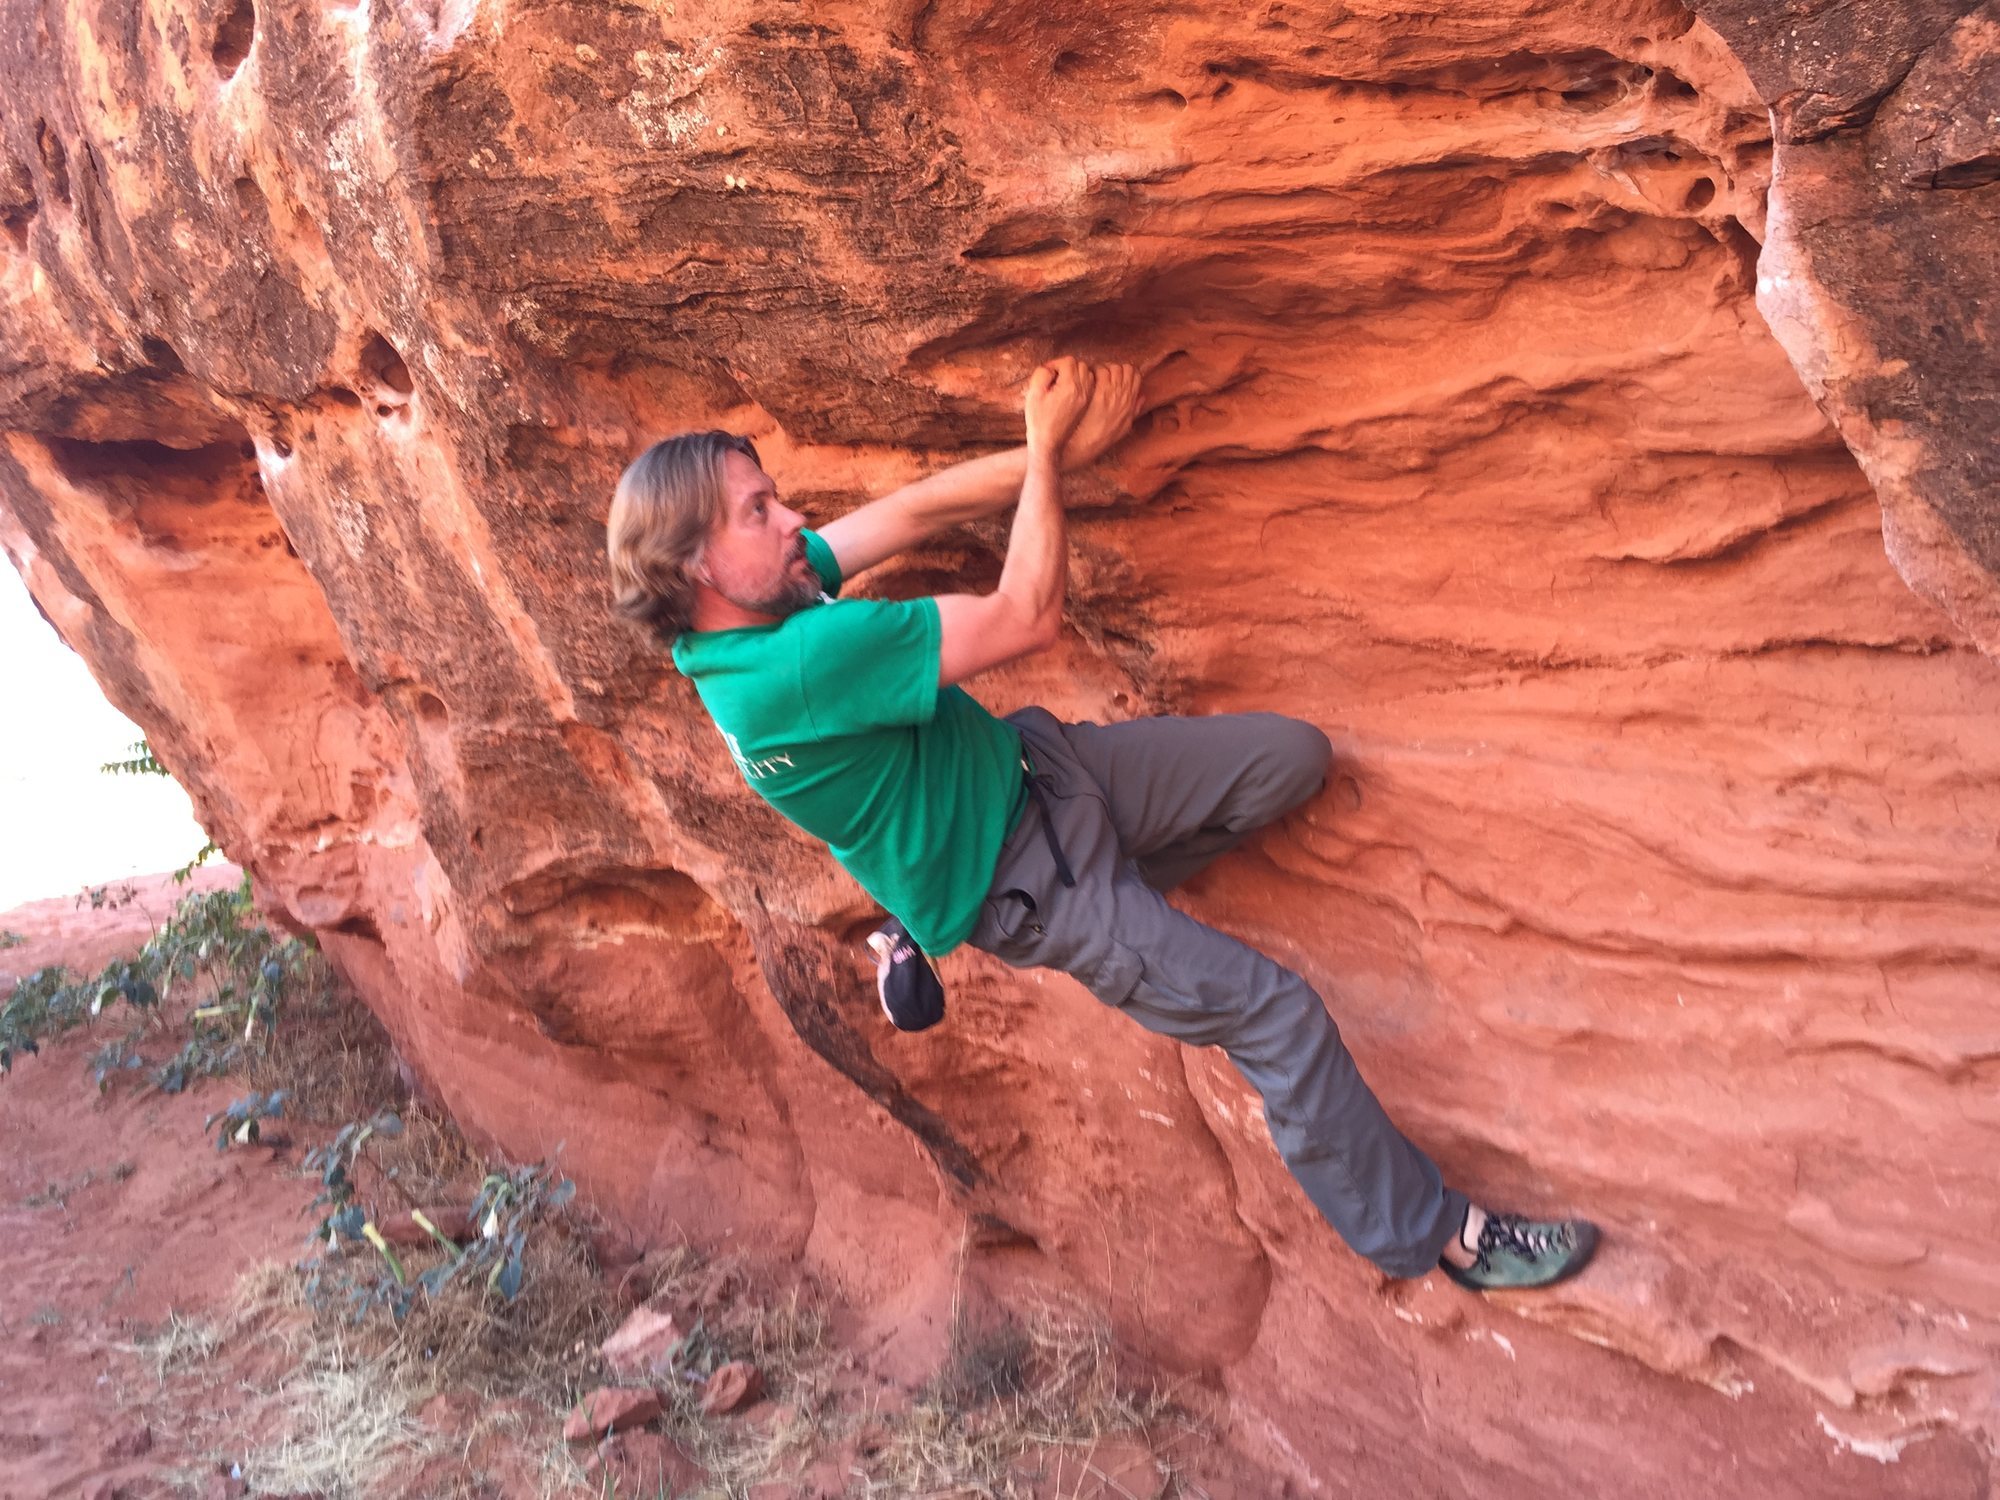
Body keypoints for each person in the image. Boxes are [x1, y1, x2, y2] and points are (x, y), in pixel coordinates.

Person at [606, 358, 1598, 1291]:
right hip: (1032, 883)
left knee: (1289, 759)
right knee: (1277, 1014)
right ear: (697, 561)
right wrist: (1040, 455)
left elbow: (911, 511)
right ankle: (1433, 1237)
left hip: (1047, 774)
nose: (792, 519)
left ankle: (1110, 908)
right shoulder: (801, 663)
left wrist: (1062, 442)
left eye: (776, 497)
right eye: (760, 510)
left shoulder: (744, 620)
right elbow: (1026, 615)